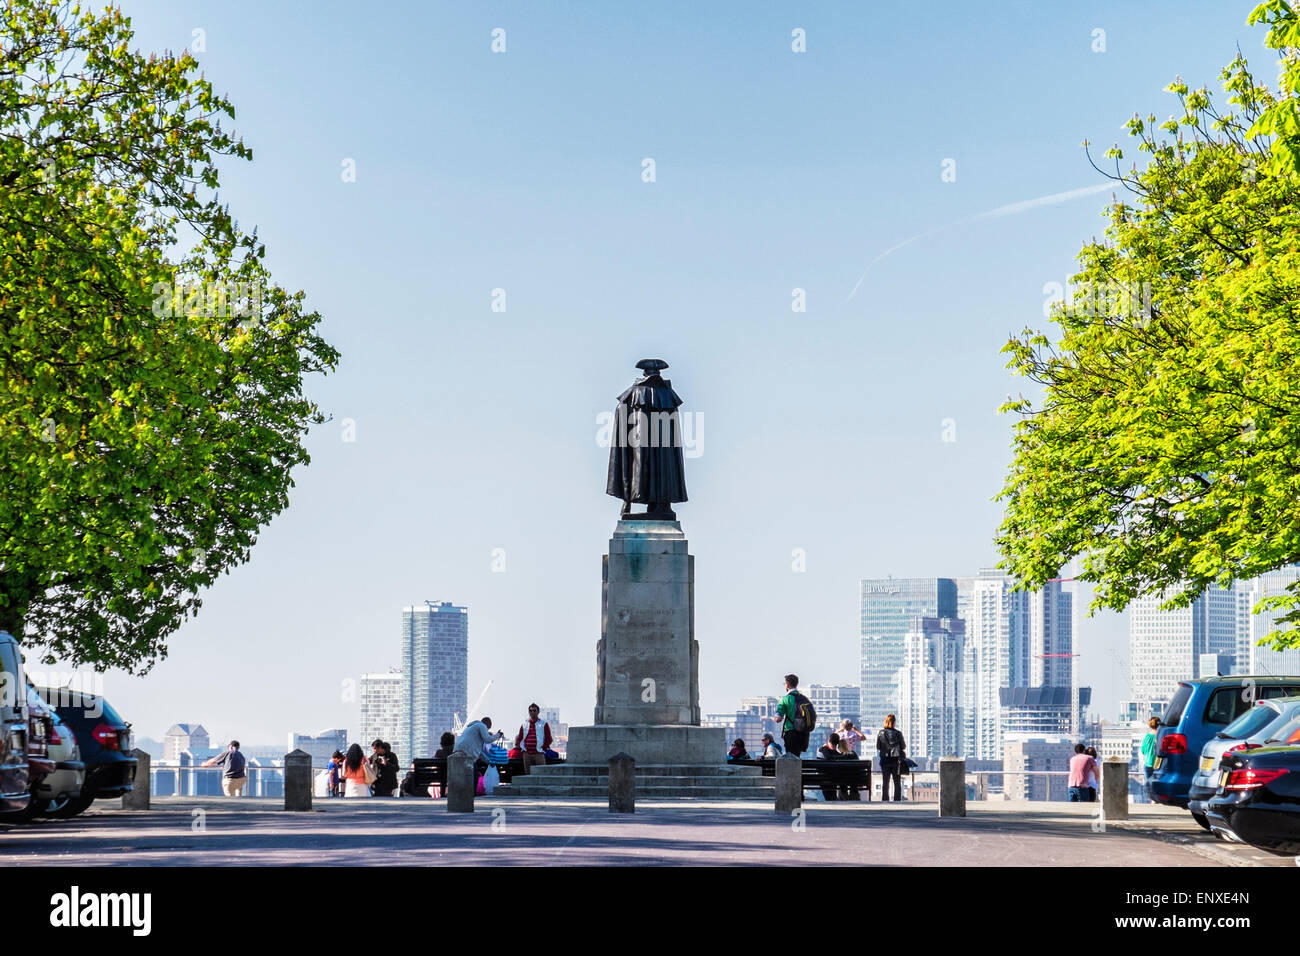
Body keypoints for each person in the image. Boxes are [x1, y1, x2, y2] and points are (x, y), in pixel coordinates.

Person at [772, 674, 813, 757]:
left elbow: (778, 718)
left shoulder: (785, 699)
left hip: (791, 732)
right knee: (797, 756)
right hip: (803, 733)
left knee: (791, 757)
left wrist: (776, 717)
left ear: (787, 684)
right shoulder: (804, 698)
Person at [514, 703, 553, 774]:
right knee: (528, 774)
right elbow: (520, 738)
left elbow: (548, 738)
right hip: (527, 753)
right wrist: (523, 749)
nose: (532, 712)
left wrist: (543, 748)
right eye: (530, 710)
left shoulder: (543, 724)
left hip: (539, 753)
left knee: (542, 773)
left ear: (538, 712)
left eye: (534, 710)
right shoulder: (524, 724)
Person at [876, 715, 906, 802]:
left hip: (884, 760)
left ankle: (885, 799)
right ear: (894, 722)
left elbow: (878, 747)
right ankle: (897, 800)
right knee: (897, 782)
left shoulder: (880, 733)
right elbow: (903, 746)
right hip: (896, 760)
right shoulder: (898, 733)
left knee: (885, 782)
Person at [1140, 716, 1159, 796]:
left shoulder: (1147, 737)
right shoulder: (1160, 736)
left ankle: (1151, 798)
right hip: (1158, 763)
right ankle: (1157, 798)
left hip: (1148, 762)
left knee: (1149, 783)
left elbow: (1143, 750)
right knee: (1157, 783)